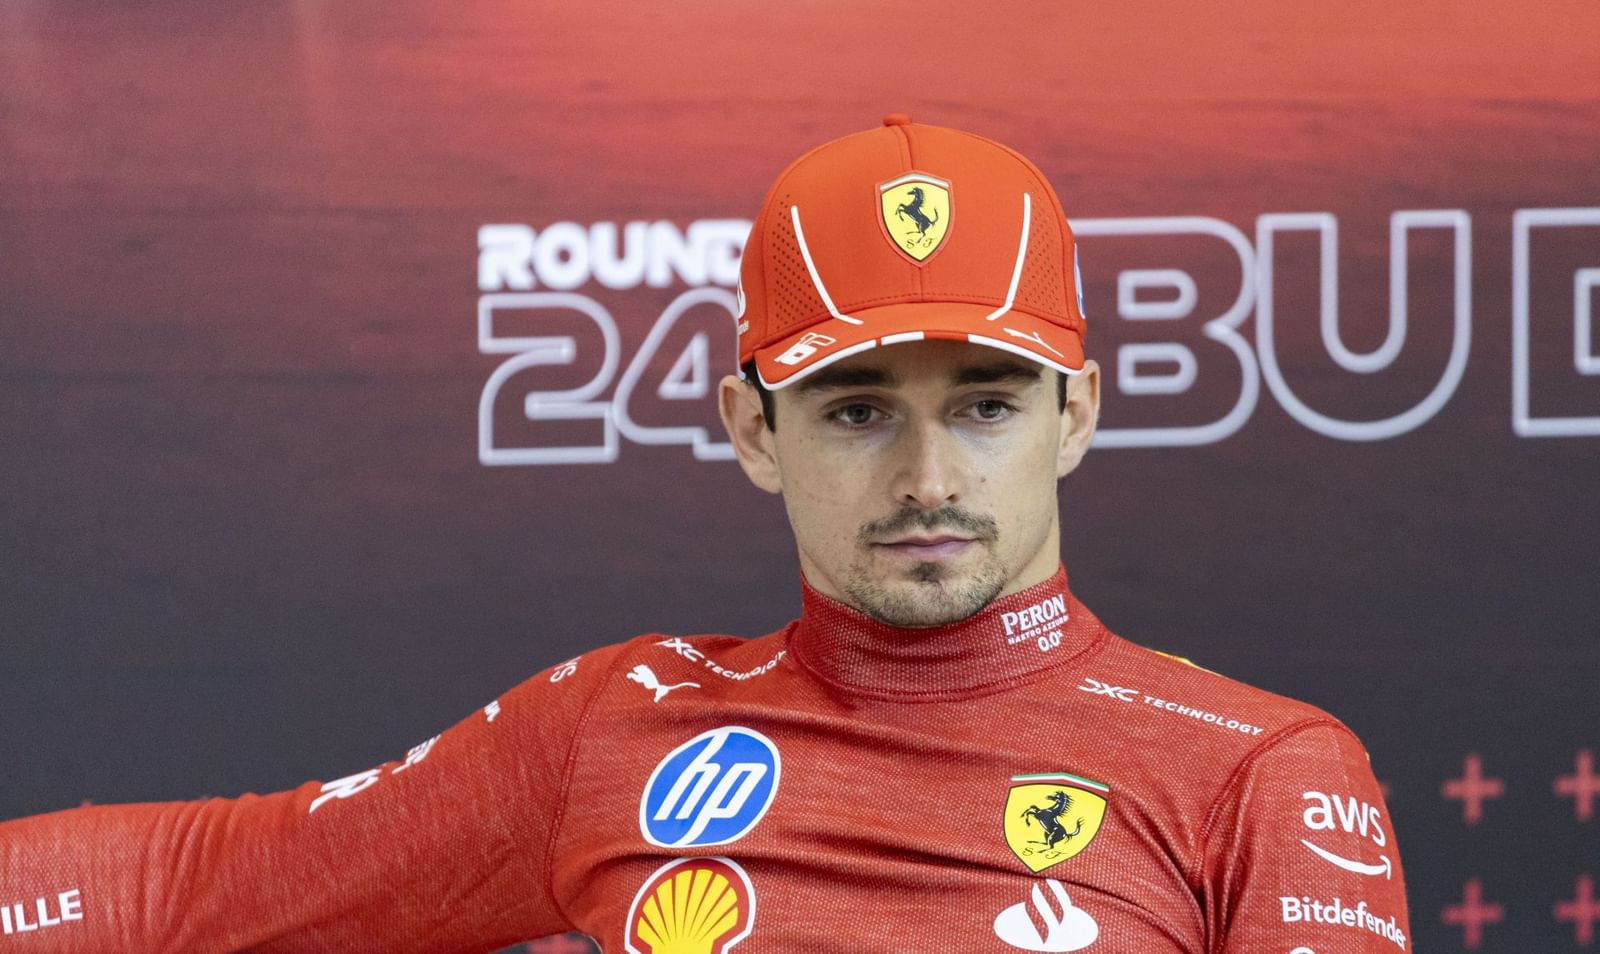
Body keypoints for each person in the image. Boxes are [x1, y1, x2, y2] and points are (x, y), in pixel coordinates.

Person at [0, 115, 1410, 953]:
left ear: (1076, 415)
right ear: (752, 430)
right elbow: (193, 885)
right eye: (857, 410)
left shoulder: (1263, 771)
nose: (929, 473)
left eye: (984, 403)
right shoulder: (613, 726)